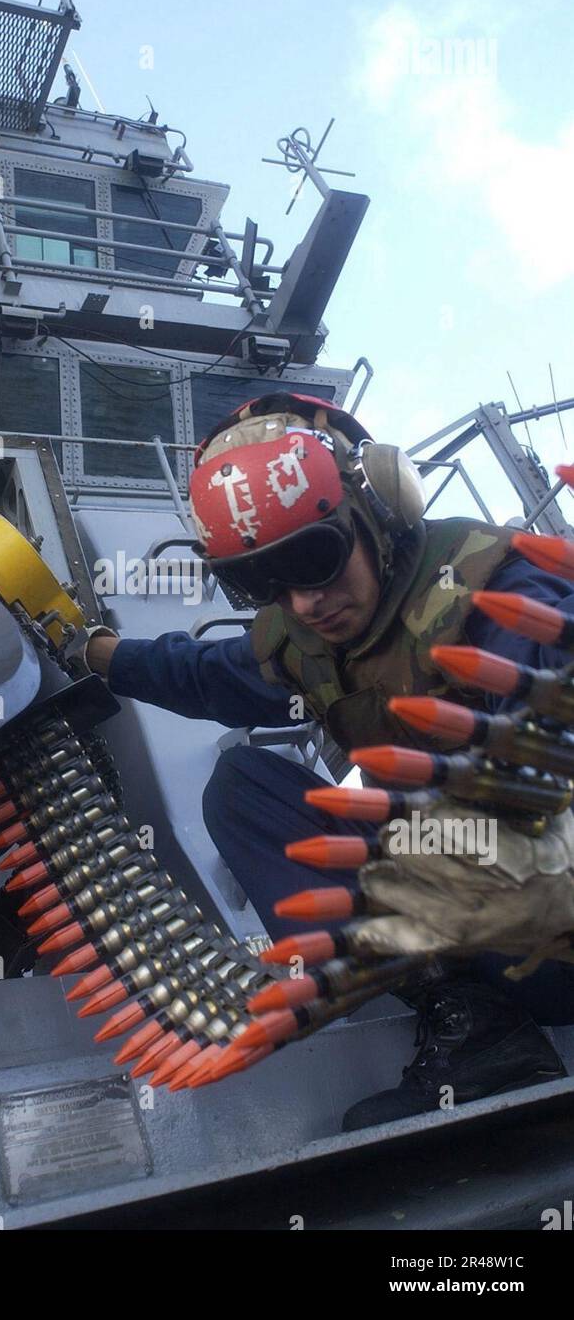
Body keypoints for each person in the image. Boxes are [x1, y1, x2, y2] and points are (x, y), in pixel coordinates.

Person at [81, 392, 574, 1129]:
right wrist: (96, 655)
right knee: (241, 789)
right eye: (262, 582)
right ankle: (470, 1023)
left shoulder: (497, 593)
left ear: (379, 512)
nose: (306, 603)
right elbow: (208, 675)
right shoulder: (308, 635)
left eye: (315, 558)